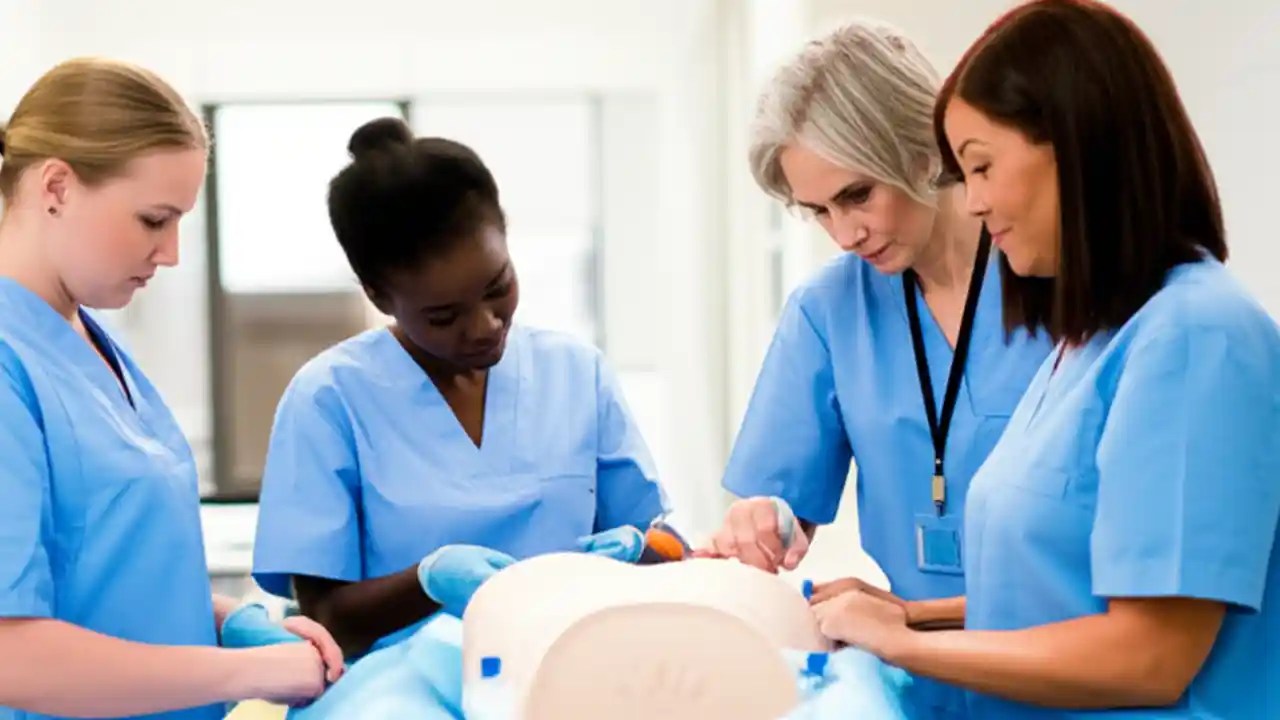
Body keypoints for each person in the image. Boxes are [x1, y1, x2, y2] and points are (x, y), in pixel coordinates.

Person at [812, 1, 1280, 717]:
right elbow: (1061, 587)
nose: (970, 203)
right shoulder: (1088, 343)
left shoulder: (1196, 338)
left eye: (981, 167)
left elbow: (1148, 656)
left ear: (1075, 145)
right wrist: (910, 614)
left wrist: (906, 646)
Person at [702, 20, 1054, 719]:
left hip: (1068, 663)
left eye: (858, 195)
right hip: (917, 677)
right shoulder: (831, 311)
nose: (844, 233)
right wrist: (762, 520)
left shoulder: (1051, 274)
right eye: (819, 211)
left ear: (919, 145)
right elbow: (784, 513)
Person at [251, 117, 671, 659]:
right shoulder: (329, 399)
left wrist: (645, 551)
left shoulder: (575, 373)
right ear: (379, 296)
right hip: (400, 691)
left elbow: (656, 552)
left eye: (498, 287)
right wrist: (427, 582)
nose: (486, 326)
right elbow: (326, 622)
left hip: (568, 672)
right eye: (443, 315)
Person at [0, 58, 343, 720]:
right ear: (57, 187)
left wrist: (231, 622)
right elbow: (11, 656)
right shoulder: (10, 363)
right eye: (154, 219)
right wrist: (245, 669)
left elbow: (113, 582)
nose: (172, 252)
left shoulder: (93, 342)